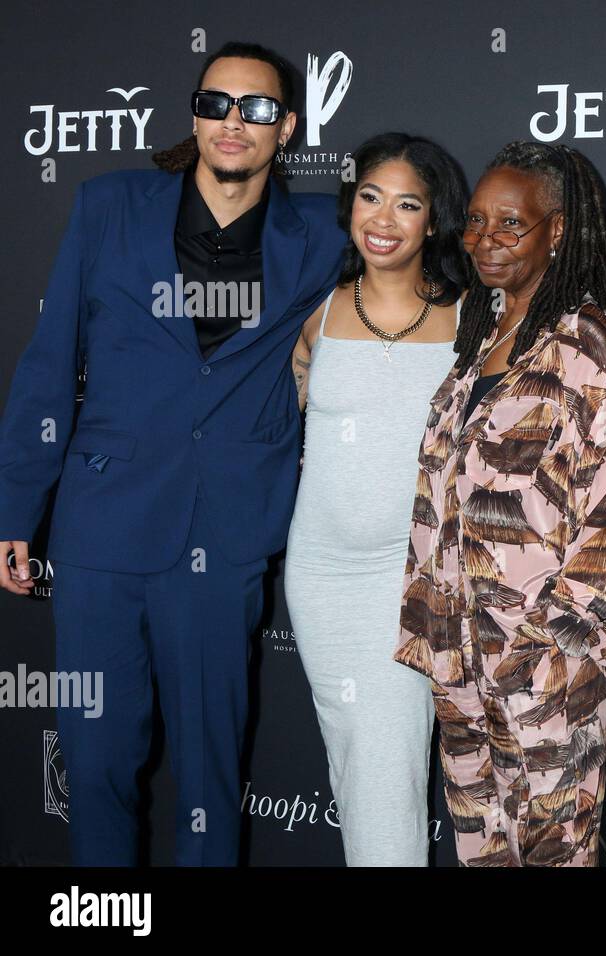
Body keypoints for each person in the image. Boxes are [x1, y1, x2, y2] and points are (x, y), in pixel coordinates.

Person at [0, 42, 346, 864]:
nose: (234, 123)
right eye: (216, 103)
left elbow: (423, 270)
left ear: (287, 126)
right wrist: (16, 509)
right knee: (95, 769)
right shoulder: (108, 207)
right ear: (194, 114)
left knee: (210, 778)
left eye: (256, 108)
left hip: (223, 542)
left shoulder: (325, 239)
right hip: (100, 538)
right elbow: (49, 366)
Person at [392, 141, 606, 867]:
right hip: (457, 653)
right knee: (482, 851)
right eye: (474, 222)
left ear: (557, 232)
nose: (484, 241)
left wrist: (550, 651)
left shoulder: (587, 342)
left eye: (511, 224)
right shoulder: (481, 333)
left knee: (553, 854)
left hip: (542, 665)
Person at [284, 133, 468, 865]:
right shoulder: (315, 314)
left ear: (433, 221)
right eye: (369, 196)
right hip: (323, 575)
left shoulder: (470, 320)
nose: (384, 218)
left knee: (384, 764)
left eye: (407, 203)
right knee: (357, 762)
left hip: (415, 574)